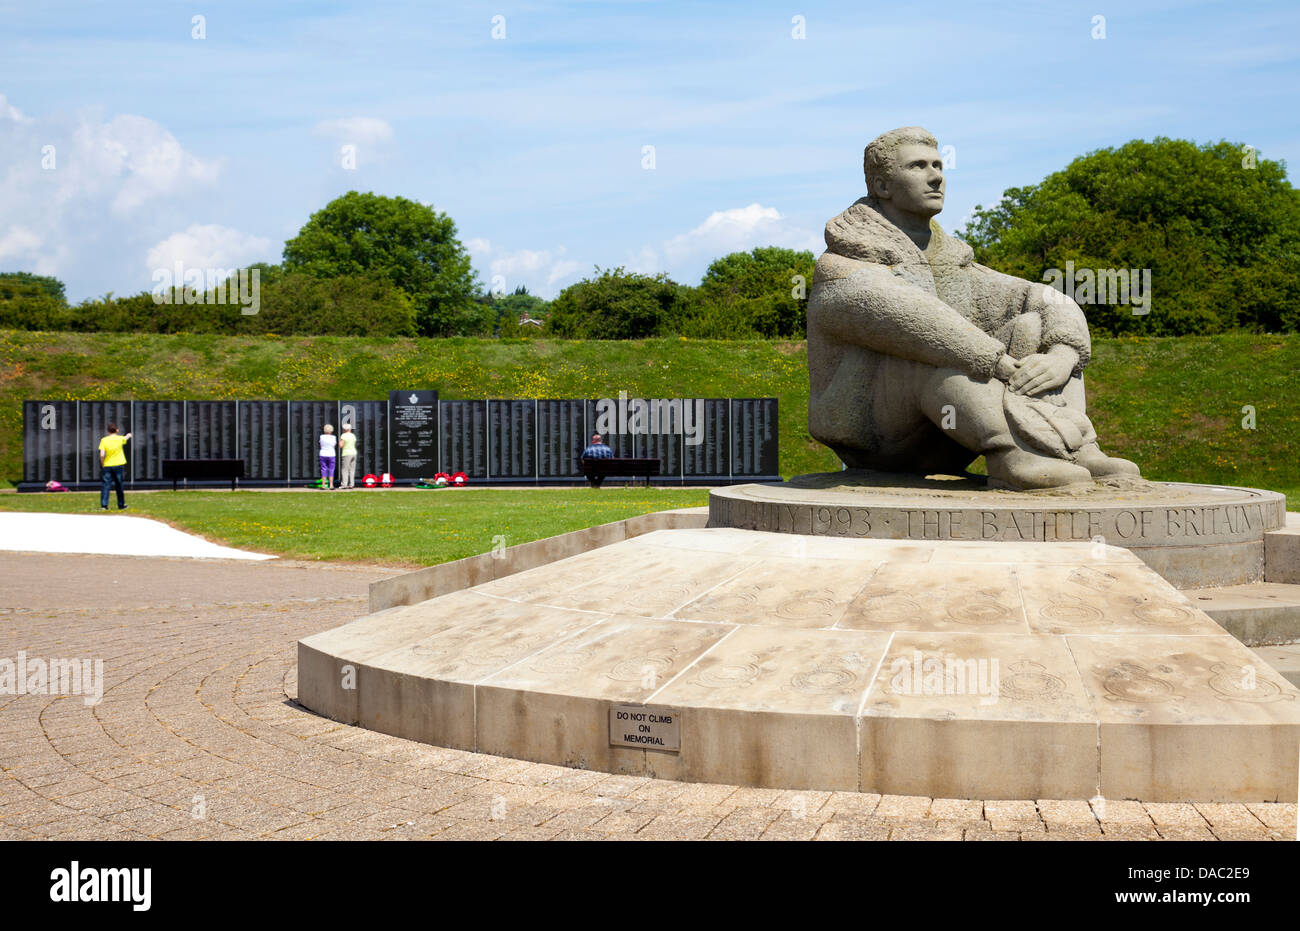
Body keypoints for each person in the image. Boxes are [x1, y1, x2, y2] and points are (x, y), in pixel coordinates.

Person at [806, 126, 1138, 489]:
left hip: (949, 438)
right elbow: (911, 318)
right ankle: (1012, 453)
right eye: (918, 166)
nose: (935, 177)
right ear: (882, 186)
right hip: (882, 442)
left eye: (938, 165)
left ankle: (1072, 447)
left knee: (1033, 324)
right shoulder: (842, 266)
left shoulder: (953, 261)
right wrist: (995, 361)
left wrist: (1064, 352)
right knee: (935, 354)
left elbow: (1042, 296)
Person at [98, 423, 132, 511]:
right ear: (117, 430)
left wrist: (103, 464)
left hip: (108, 465)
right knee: (119, 485)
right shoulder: (120, 439)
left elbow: (102, 454)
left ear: (107, 431)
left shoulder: (104, 440)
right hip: (118, 465)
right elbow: (126, 438)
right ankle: (121, 504)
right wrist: (128, 435)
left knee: (106, 485)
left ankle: (104, 505)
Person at [338, 423, 358, 489]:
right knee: (352, 469)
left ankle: (344, 484)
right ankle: (352, 484)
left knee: (345, 470)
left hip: (346, 453)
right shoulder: (353, 435)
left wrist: (339, 441)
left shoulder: (343, 435)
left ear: (344, 429)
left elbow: (341, 445)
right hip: (354, 453)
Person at [319, 423, 337, 490]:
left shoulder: (321, 437)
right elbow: (334, 446)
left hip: (323, 454)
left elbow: (321, 445)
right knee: (331, 470)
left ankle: (323, 485)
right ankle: (331, 485)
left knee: (323, 469)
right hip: (331, 454)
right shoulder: (333, 437)